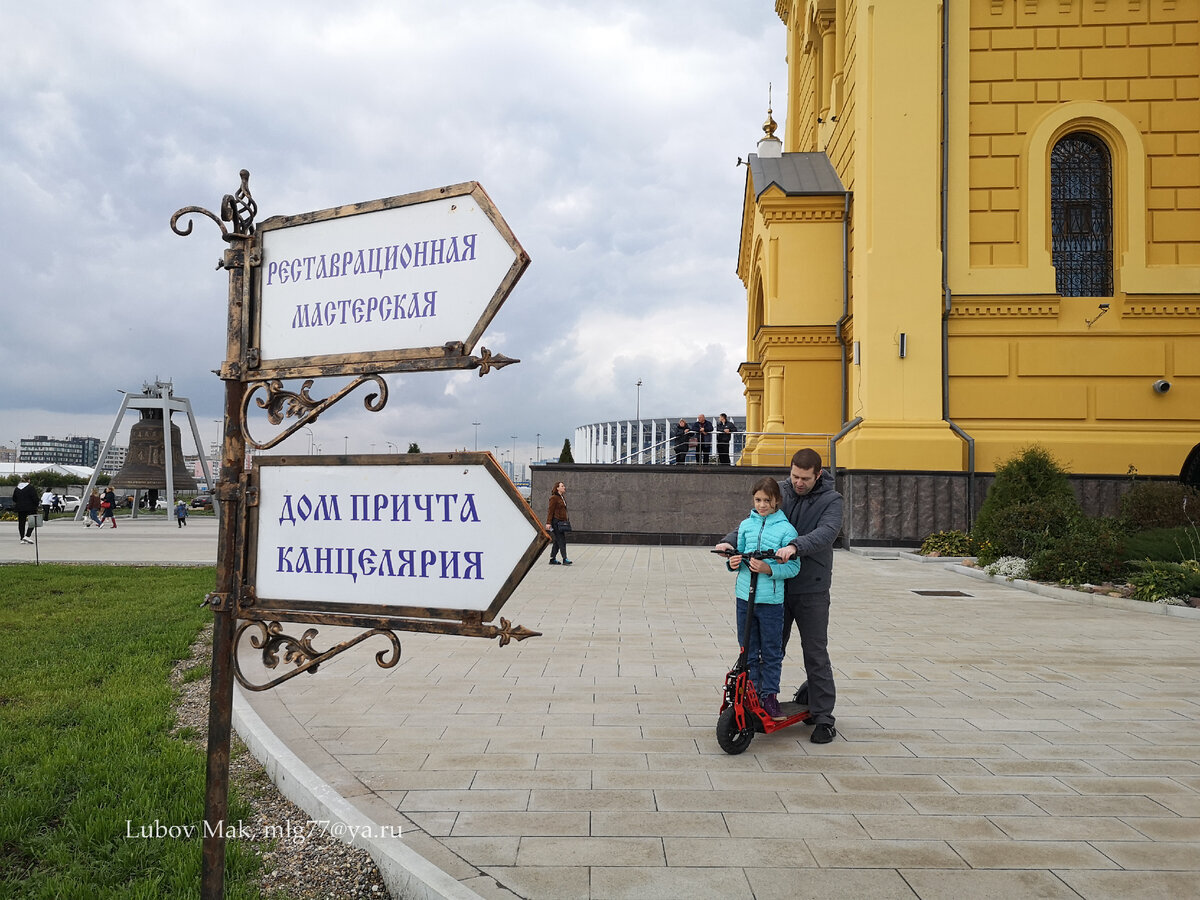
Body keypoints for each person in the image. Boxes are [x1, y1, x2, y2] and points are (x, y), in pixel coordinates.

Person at [717, 447, 844, 744]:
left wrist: (795, 546)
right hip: (774, 590)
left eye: (804, 478)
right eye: (794, 476)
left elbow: (827, 532)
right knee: (769, 649)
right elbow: (756, 522)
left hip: (810, 586)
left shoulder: (831, 500)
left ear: (818, 474)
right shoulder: (781, 491)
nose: (798, 483)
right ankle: (762, 700)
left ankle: (824, 717)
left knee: (815, 651)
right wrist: (728, 542)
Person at [725, 477, 801, 721]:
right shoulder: (746, 525)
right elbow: (740, 555)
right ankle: (753, 693)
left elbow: (794, 568)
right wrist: (733, 563)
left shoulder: (786, 530)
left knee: (771, 651)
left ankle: (769, 696)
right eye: (758, 500)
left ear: (777, 500)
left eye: (766, 500)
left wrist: (769, 569)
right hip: (744, 598)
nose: (761, 505)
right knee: (748, 650)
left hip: (771, 602)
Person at [545, 480, 572, 565]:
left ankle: (552, 559)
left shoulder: (561, 497)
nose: (564, 487)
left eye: (563, 486)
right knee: (561, 540)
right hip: (556, 522)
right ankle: (565, 558)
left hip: (561, 522)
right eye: (562, 486)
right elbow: (550, 511)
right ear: (557, 488)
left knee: (557, 541)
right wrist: (548, 523)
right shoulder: (554, 498)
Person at [12, 480, 39, 544]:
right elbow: (34, 497)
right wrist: (36, 504)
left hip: (20, 507)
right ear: (28, 480)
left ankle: (22, 537)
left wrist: (19, 502)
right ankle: (27, 535)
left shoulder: (17, 488)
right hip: (30, 507)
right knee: (32, 522)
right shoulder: (30, 487)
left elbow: (14, 498)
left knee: (21, 522)